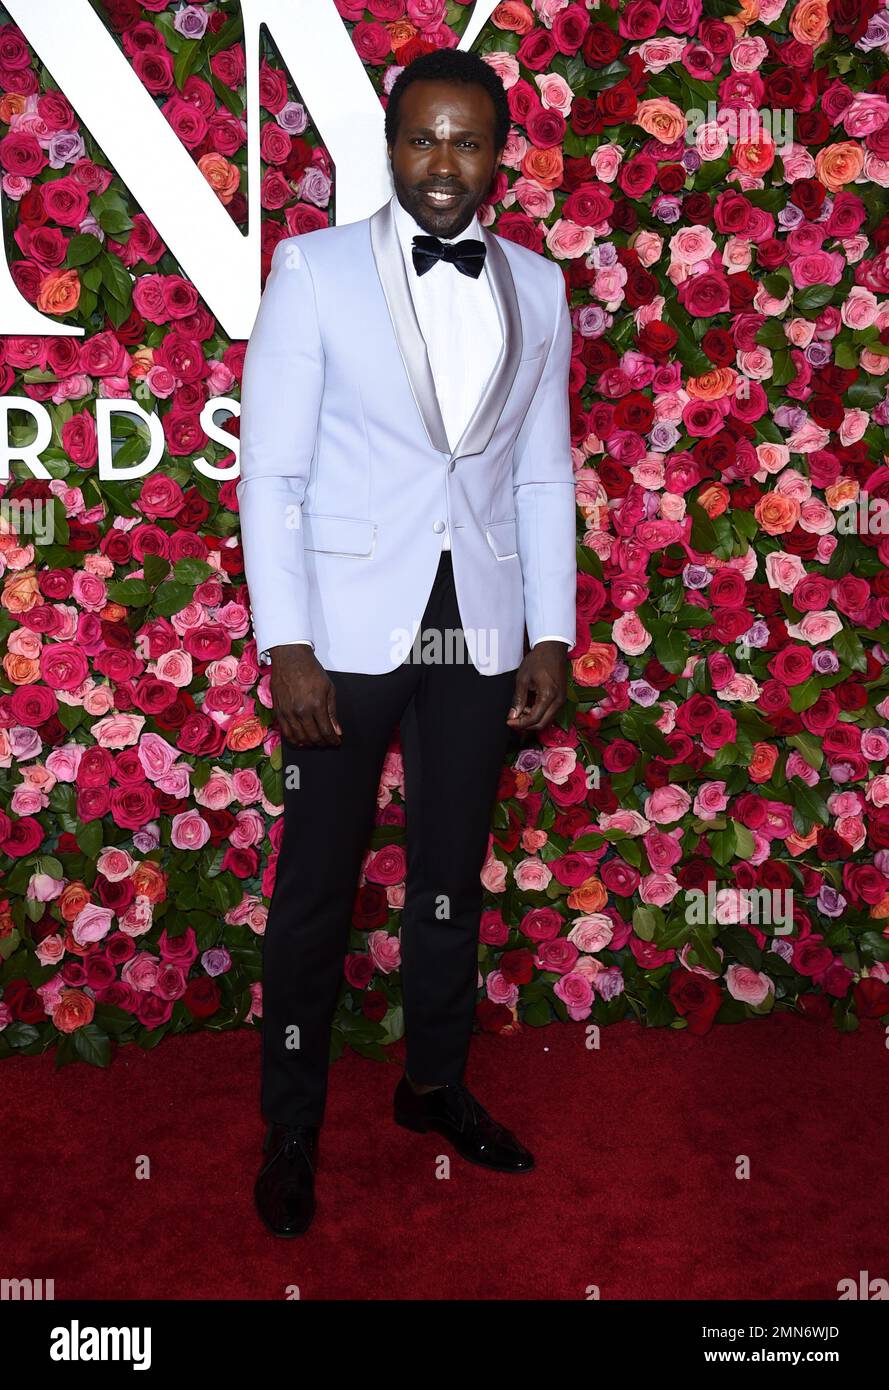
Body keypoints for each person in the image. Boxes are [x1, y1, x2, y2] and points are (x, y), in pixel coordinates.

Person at [238, 48, 577, 1237]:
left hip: (475, 629)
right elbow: (271, 467)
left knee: (447, 880)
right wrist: (286, 642)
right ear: (390, 147)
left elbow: (540, 471)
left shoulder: (538, 286)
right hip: (343, 631)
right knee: (316, 893)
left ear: (499, 157)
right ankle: (291, 1123)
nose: (445, 164)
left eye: (469, 143)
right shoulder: (314, 270)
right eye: (425, 139)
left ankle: (431, 1086)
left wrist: (549, 627)